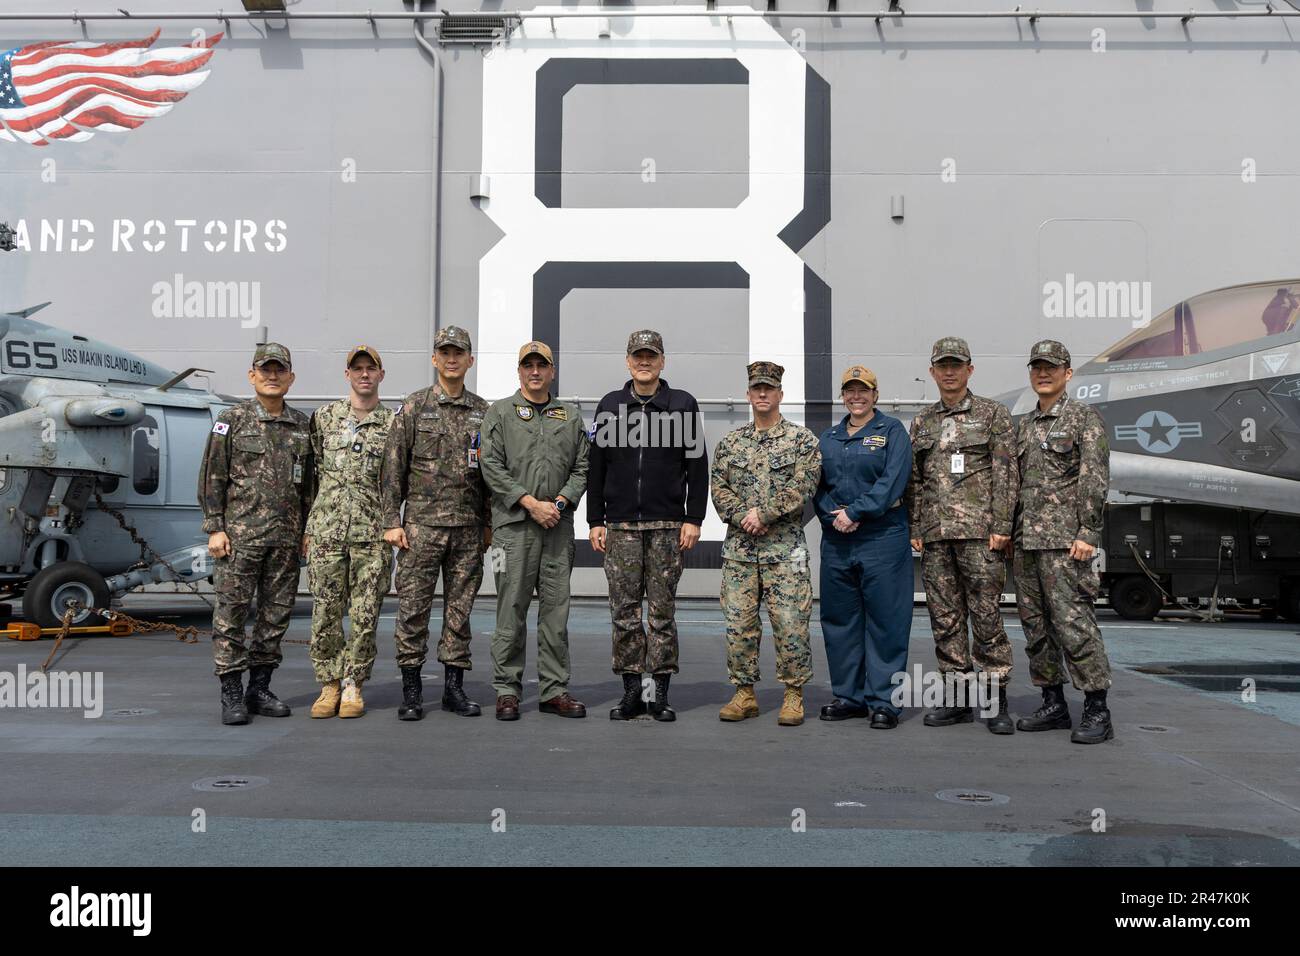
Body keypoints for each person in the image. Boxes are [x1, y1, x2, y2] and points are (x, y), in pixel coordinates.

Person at [588, 330, 708, 722]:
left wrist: (693, 518)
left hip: (667, 526)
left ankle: (657, 695)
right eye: (637, 356)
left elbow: (697, 466)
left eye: (651, 356)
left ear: (662, 361)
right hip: (620, 526)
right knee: (624, 612)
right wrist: (595, 520)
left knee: (660, 613)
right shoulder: (610, 406)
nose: (644, 362)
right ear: (627, 361)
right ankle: (630, 693)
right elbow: (597, 468)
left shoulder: (683, 405)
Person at [198, 342, 313, 725]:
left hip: (285, 539)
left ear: (291, 378)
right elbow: (212, 476)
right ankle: (231, 693)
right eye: (265, 370)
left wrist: (307, 530)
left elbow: (309, 485)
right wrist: (215, 527)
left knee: (275, 616)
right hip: (239, 539)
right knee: (230, 615)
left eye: (280, 370)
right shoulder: (231, 420)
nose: (272, 376)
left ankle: (259, 688)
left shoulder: (302, 425)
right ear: (252, 376)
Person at [907, 337, 1018, 734]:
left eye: (957, 365)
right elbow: (915, 481)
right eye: (942, 365)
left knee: (987, 617)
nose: (949, 372)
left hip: (980, 536)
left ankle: (994, 699)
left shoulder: (993, 415)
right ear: (933, 371)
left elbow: (1007, 475)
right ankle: (956, 699)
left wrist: (1003, 527)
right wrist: (916, 526)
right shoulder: (922, 422)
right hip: (936, 538)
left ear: (970, 369)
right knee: (945, 619)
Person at [380, 326, 491, 721]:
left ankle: (453, 690)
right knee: (412, 611)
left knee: (460, 613)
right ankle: (411, 691)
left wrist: (488, 523)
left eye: (458, 352)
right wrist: (392, 521)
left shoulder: (484, 411)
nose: (451, 358)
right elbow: (392, 469)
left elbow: (492, 474)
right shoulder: (413, 407)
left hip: (467, 529)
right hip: (420, 529)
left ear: (469, 360)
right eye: (444, 352)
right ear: (434, 359)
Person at [479, 340, 590, 720]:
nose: (535, 371)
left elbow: (582, 467)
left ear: (552, 371)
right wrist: (529, 502)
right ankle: (507, 690)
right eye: (528, 365)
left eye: (542, 365)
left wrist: (558, 503)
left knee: (556, 613)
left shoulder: (569, 416)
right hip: (514, 528)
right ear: (520, 371)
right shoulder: (500, 414)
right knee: (511, 608)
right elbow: (490, 466)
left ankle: (553, 690)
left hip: (557, 527)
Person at [1014, 339, 1114, 744]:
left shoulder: (1083, 419)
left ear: (1067, 374)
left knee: (1074, 625)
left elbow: (1094, 477)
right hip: (1026, 545)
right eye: (1037, 366)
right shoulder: (1023, 426)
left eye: (1052, 367)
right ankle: (1052, 701)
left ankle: (1096, 706)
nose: (1043, 373)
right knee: (1036, 628)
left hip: (1066, 544)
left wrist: (1088, 532)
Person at [710, 361, 821, 726]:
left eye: (769, 389)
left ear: (780, 395)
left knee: (790, 625)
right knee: (739, 625)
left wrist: (765, 514)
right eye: (756, 388)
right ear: (748, 394)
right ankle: (743, 693)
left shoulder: (801, 441)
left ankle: (793, 695)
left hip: (785, 551)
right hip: (741, 552)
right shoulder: (731, 443)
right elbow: (718, 487)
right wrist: (744, 515)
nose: (762, 394)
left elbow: (805, 485)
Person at [814, 366, 913, 729]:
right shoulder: (829, 437)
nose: (857, 397)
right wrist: (833, 516)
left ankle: (885, 701)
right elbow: (817, 486)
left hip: (882, 538)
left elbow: (894, 481)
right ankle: (849, 696)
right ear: (843, 395)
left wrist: (855, 512)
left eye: (864, 390)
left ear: (875, 394)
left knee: (887, 621)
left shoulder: (892, 432)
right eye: (850, 391)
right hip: (838, 541)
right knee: (840, 621)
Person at [305, 346, 394, 719]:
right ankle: (328, 685)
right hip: (327, 532)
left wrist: (393, 525)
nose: (363, 375)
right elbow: (313, 472)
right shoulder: (324, 418)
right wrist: (308, 527)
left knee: (365, 613)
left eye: (370, 369)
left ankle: (353, 686)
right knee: (325, 610)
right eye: (357, 368)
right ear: (347, 374)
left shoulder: (392, 423)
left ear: (380, 374)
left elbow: (394, 481)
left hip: (371, 534)